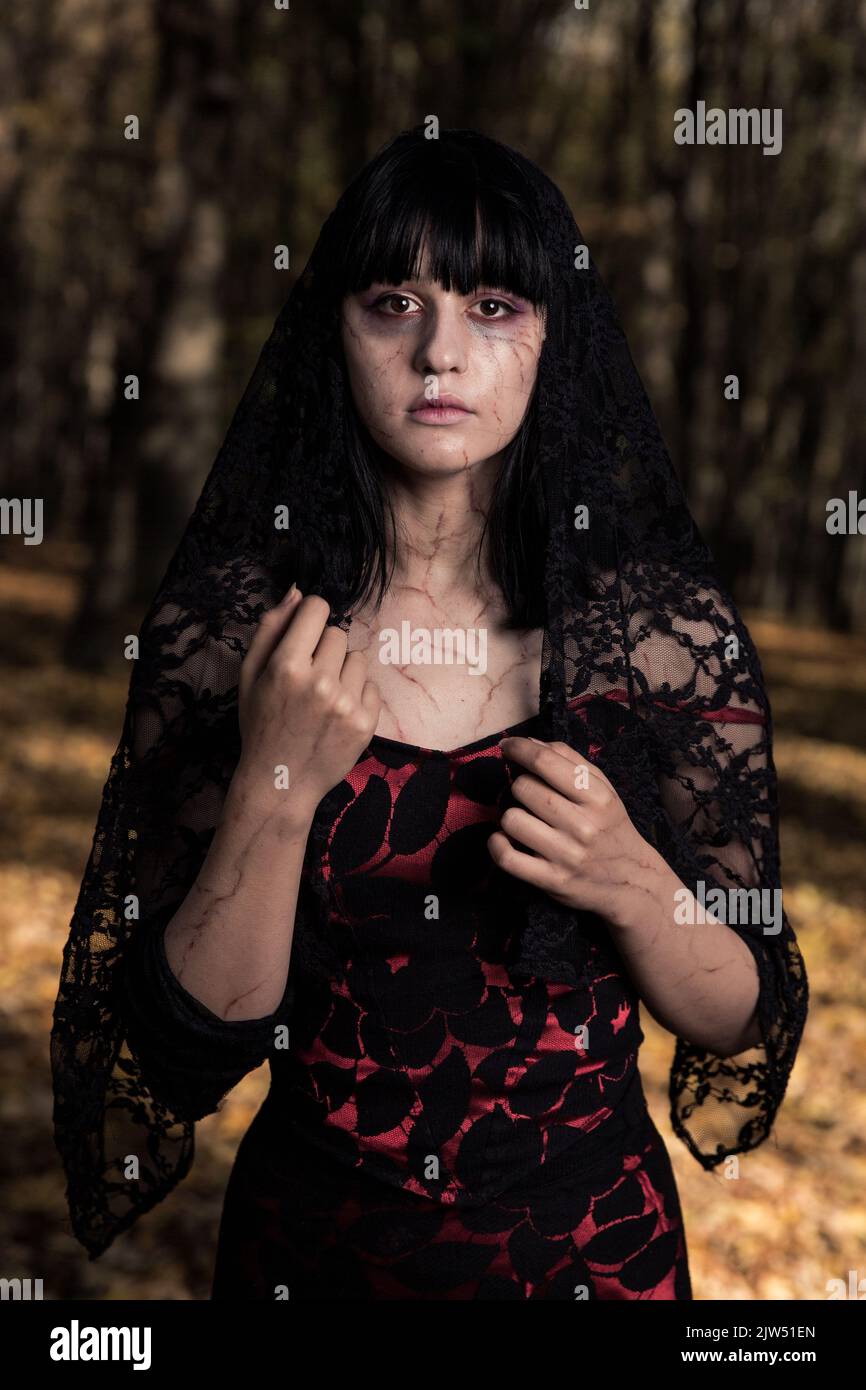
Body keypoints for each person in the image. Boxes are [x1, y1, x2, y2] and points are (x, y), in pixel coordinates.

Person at [50, 126, 809, 1300]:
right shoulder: (238, 632)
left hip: (591, 1257)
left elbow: (741, 1012)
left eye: (495, 305)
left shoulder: (659, 637)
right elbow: (186, 1051)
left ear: (555, 339)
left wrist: (626, 878)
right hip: (316, 1256)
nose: (439, 353)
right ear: (335, 331)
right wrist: (273, 786)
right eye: (394, 300)